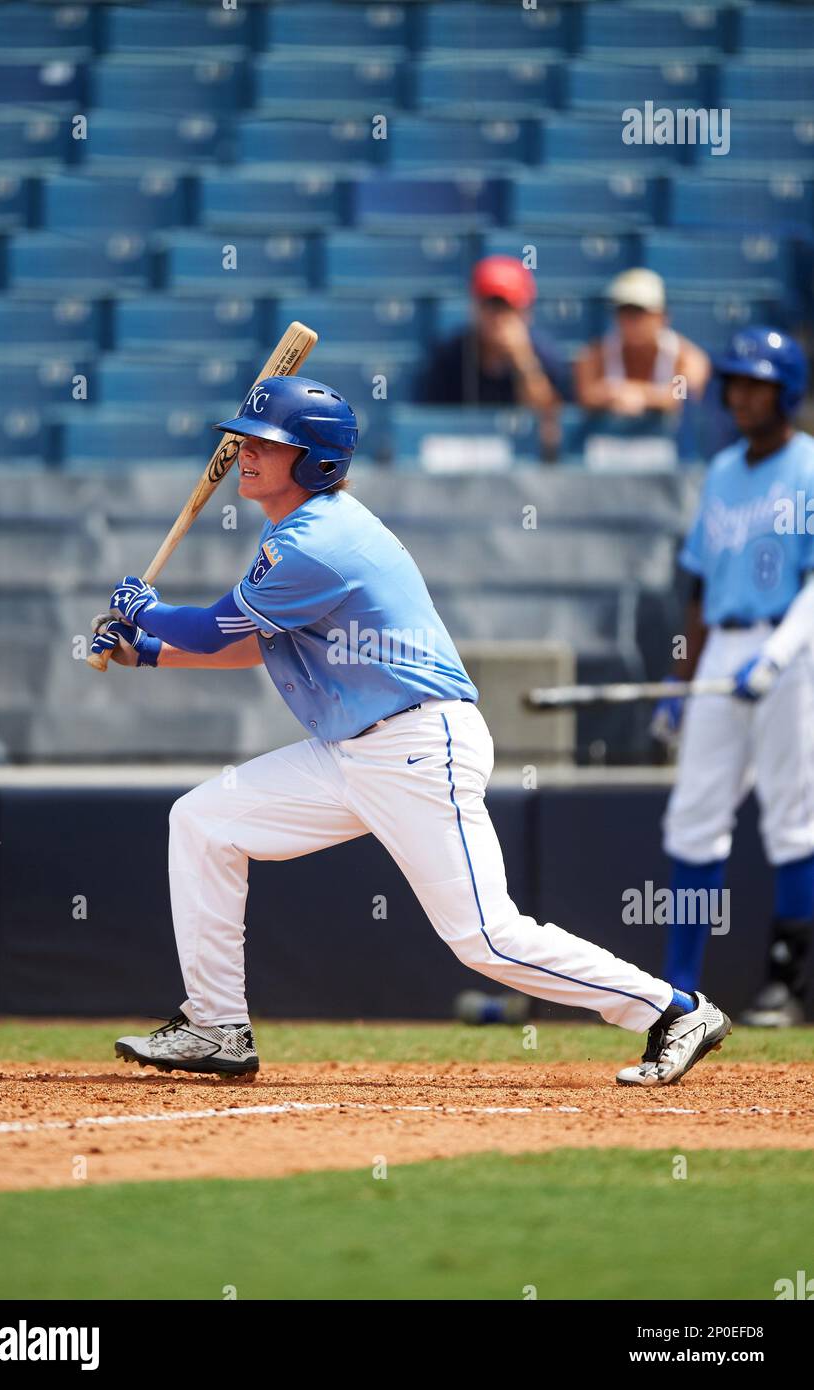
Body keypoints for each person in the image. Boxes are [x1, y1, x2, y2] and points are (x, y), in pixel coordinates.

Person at [90, 374, 730, 1085]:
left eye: (268, 443)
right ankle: (215, 1025)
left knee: (485, 938)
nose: (245, 451)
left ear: (315, 461)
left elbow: (213, 630)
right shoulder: (297, 537)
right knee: (204, 821)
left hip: (416, 745)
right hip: (351, 753)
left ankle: (673, 1009)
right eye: (245, 438)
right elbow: (251, 640)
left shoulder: (318, 542)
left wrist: (142, 608)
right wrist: (146, 650)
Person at [653, 328, 814, 1026]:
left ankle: (789, 982)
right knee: (693, 818)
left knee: (793, 817)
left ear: (787, 392)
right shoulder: (720, 472)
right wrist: (679, 681)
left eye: (758, 384)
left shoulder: (809, 465)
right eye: (735, 384)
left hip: (793, 646)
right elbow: (698, 587)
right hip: (723, 652)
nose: (743, 396)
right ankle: (678, 991)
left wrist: (778, 655)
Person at [417, 255, 569, 461]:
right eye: (489, 305)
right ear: (474, 307)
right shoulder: (450, 355)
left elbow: (551, 430)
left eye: (505, 307)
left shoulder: (543, 355)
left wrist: (523, 359)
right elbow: (429, 426)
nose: (496, 317)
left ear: (525, 312)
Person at [575, 268, 710, 466]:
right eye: (624, 311)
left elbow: (683, 394)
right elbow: (586, 394)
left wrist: (636, 394)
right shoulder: (596, 355)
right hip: (609, 458)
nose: (631, 321)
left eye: (640, 312)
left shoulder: (686, 356)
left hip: (669, 460)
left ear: (662, 316)